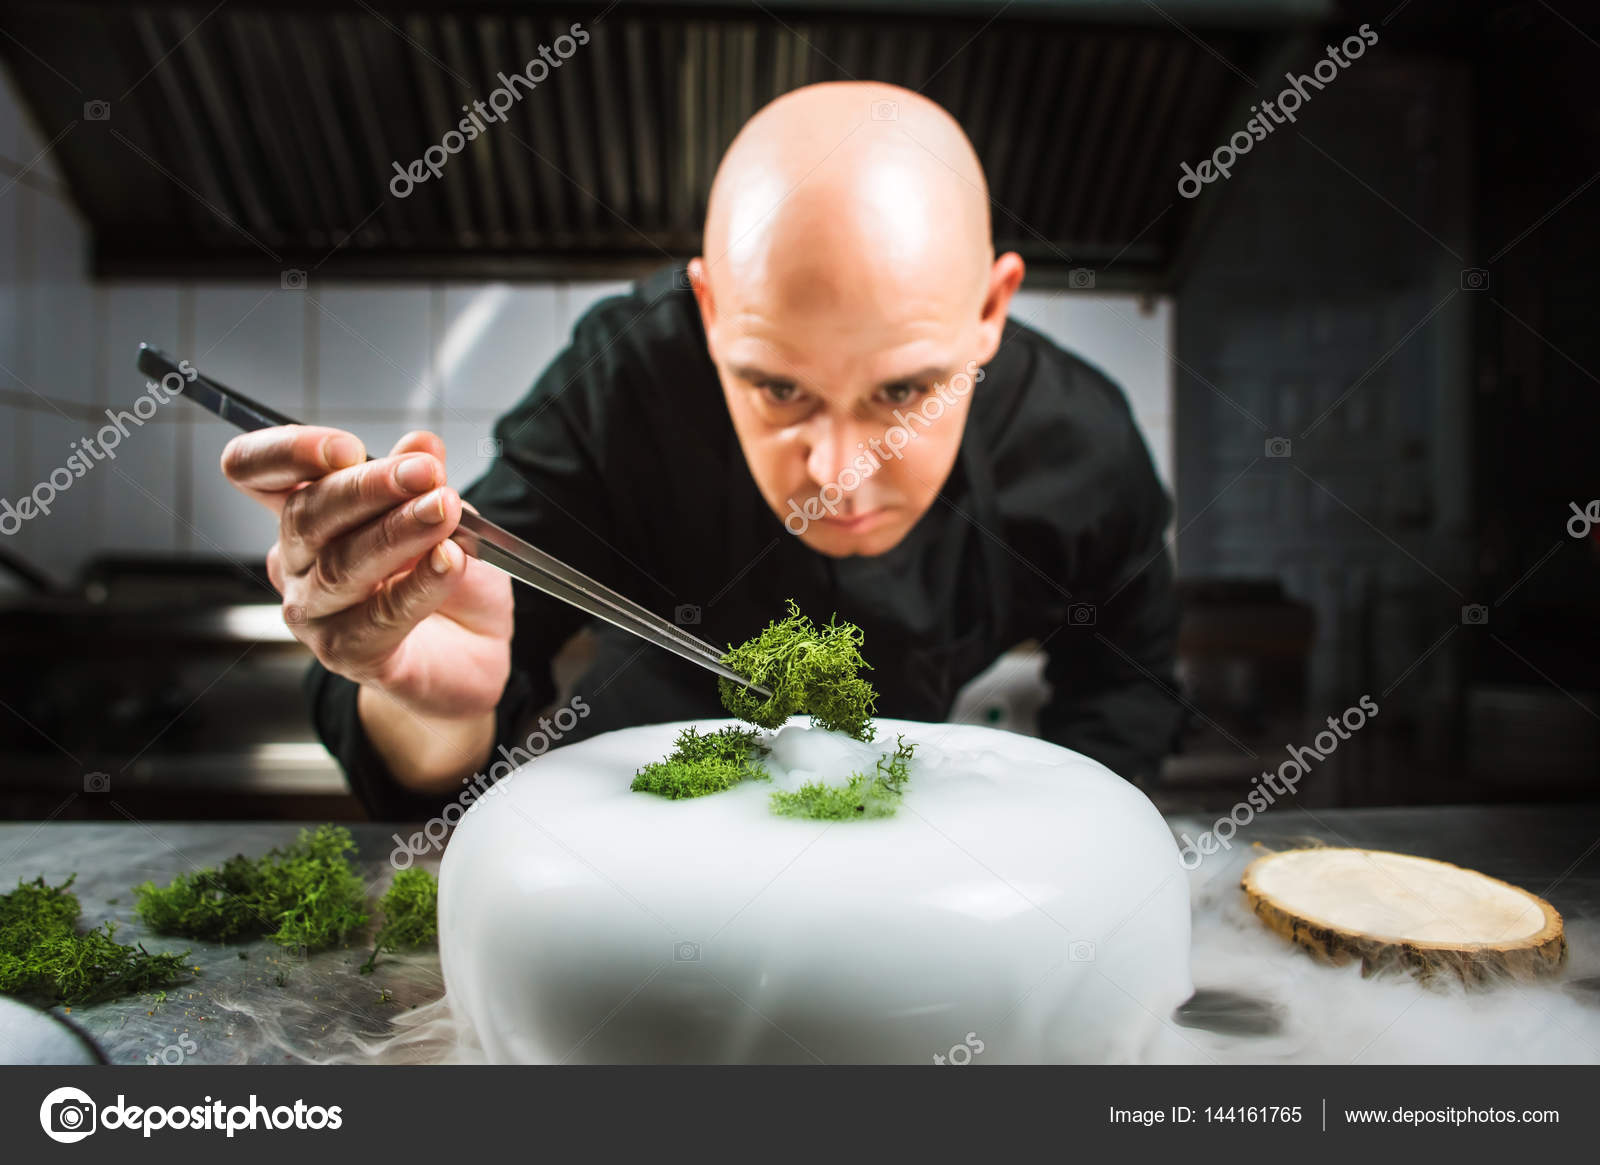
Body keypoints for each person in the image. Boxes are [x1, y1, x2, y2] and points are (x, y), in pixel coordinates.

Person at [221, 81, 1183, 818]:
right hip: (646, 861)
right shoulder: (624, 386)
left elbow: (1126, 688)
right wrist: (431, 708)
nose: (834, 466)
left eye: (903, 391)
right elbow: (447, 655)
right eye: (777, 387)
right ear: (712, 312)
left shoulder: (1083, 446)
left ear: (990, 312)